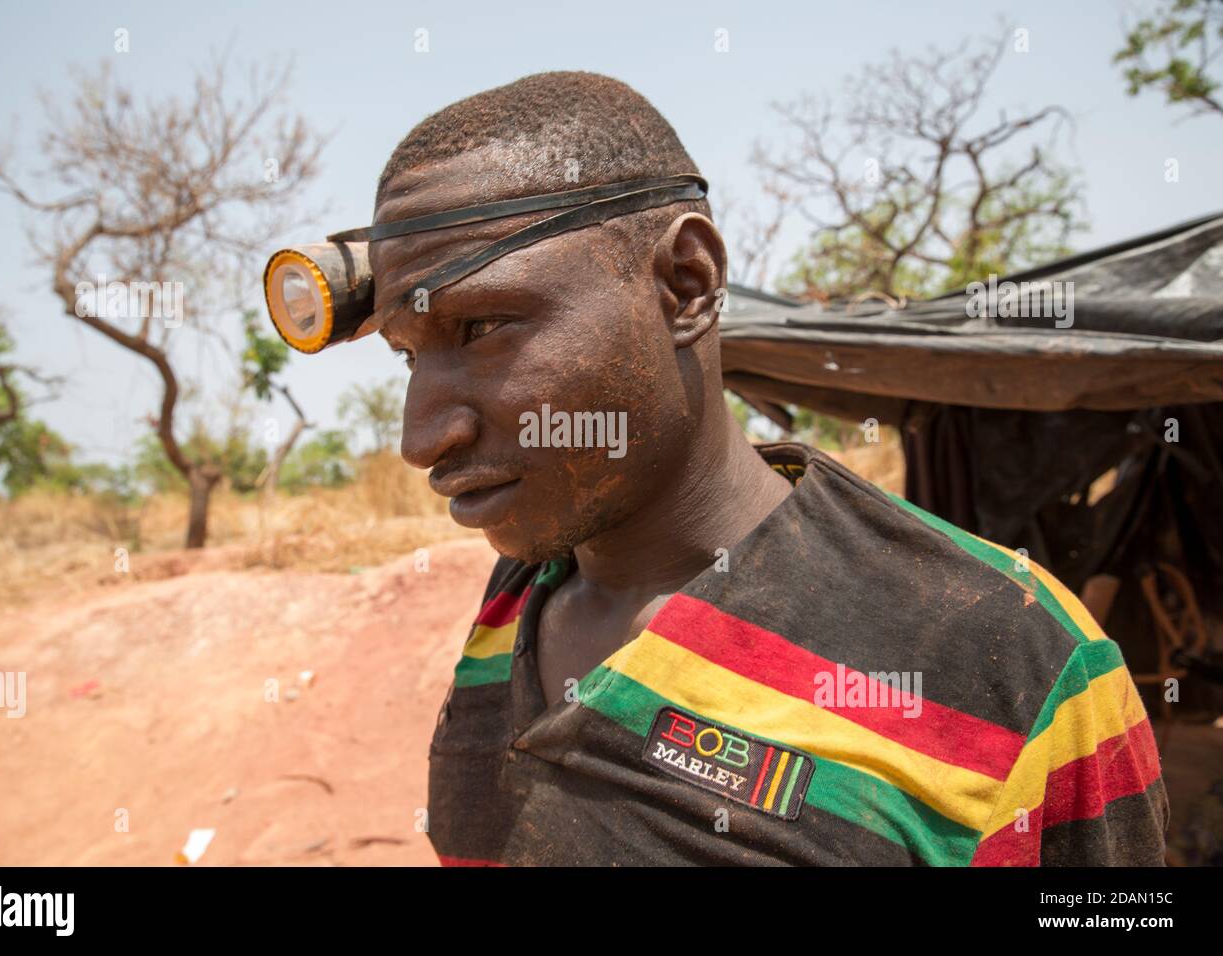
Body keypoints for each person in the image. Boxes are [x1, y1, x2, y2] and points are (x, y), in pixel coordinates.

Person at [367, 71, 1169, 866]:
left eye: (485, 327)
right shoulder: (515, 601)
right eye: (408, 357)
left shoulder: (1014, 665)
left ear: (688, 284)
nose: (423, 437)